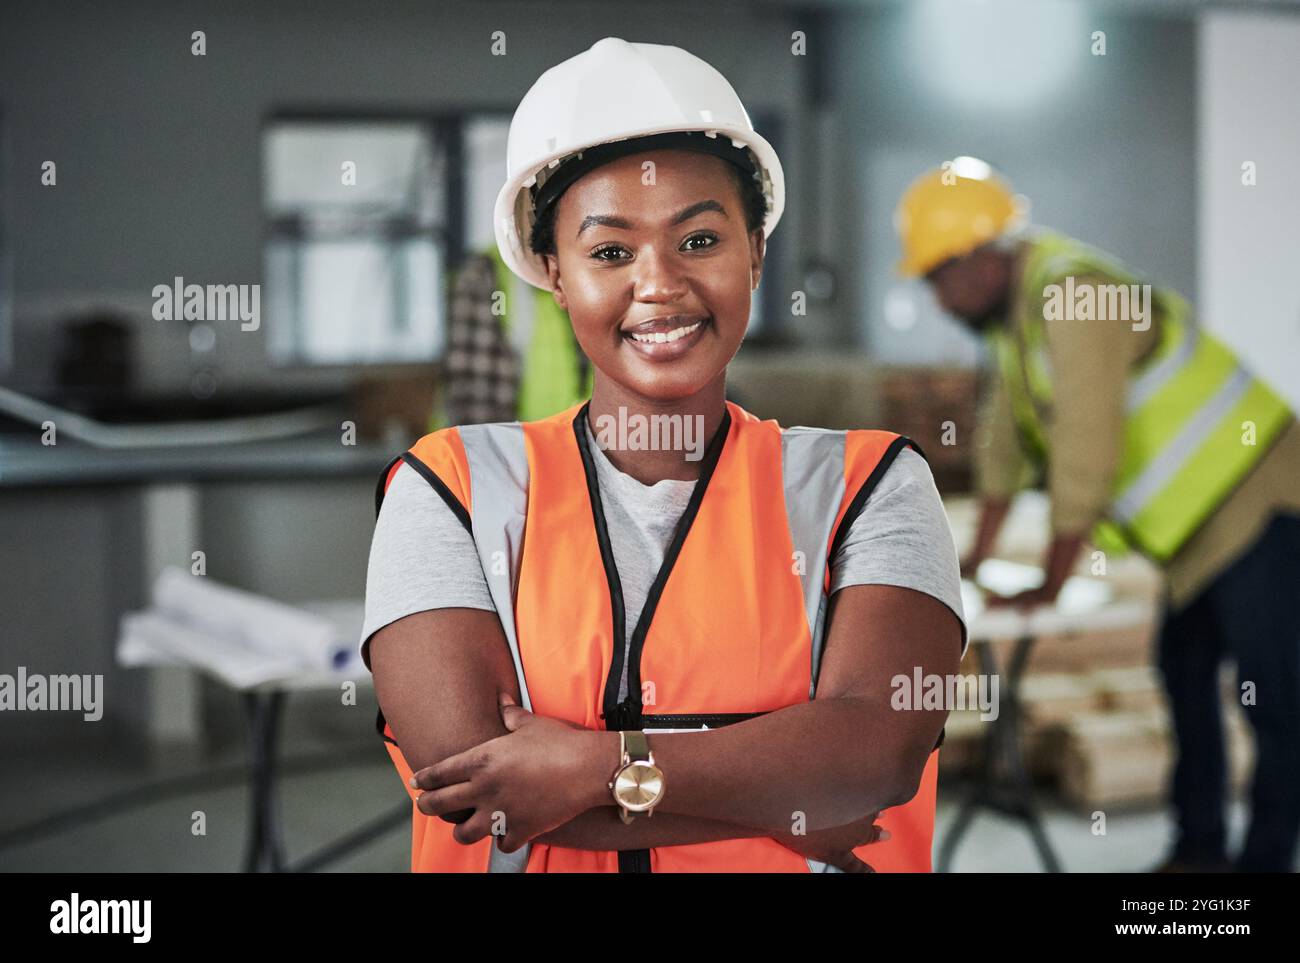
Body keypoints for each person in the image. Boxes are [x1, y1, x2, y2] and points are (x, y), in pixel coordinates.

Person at [359, 38, 966, 873]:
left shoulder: (872, 484)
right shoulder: (450, 488)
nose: (660, 285)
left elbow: (874, 755)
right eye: (610, 251)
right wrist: (778, 803)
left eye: (700, 239)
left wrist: (587, 766)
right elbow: (474, 790)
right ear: (555, 271)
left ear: (755, 250)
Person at [896, 157, 1300, 873]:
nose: (939, 300)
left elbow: (1087, 442)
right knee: (1183, 671)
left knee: (1276, 699)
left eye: (938, 278)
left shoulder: (1073, 293)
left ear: (980, 258)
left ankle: (1262, 864)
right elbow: (1002, 450)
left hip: (1256, 500)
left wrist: (1050, 582)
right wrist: (976, 562)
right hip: (1196, 533)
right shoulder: (1012, 325)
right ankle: (1200, 852)